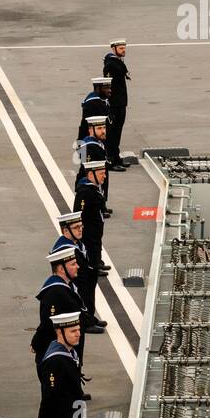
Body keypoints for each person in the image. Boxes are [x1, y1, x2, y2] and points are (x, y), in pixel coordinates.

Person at [32, 244, 93, 370]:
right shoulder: (56, 292)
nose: (78, 266)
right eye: (73, 264)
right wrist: (36, 343)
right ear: (61, 268)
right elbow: (47, 323)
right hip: (58, 359)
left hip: (69, 352)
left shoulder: (66, 288)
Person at [36, 309, 86, 418]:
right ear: (60, 333)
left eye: (78, 330)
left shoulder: (70, 353)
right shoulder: (55, 361)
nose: (78, 334)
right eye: (73, 331)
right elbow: (49, 398)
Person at [56, 211, 103, 328]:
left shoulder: (77, 242)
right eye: (76, 227)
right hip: (74, 284)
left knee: (87, 291)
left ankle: (89, 317)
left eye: (81, 226)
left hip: (82, 281)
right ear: (65, 230)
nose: (80, 229)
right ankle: (85, 322)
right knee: (80, 294)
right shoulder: (65, 249)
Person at [74, 159, 110, 279]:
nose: (104, 176)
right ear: (90, 175)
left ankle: (97, 262)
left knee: (96, 243)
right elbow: (80, 212)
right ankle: (92, 266)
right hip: (89, 227)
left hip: (96, 226)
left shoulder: (94, 188)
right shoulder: (84, 191)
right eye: (101, 173)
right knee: (90, 244)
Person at [101, 39, 130, 169]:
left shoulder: (118, 62)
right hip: (114, 104)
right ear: (114, 49)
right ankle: (111, 161)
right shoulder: (111, 64)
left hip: (121, 103)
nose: (123, 50)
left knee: (118, 132)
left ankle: (116, 158)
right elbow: (107, 86)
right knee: (112, 133)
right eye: (120, 48)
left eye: (124, 48)